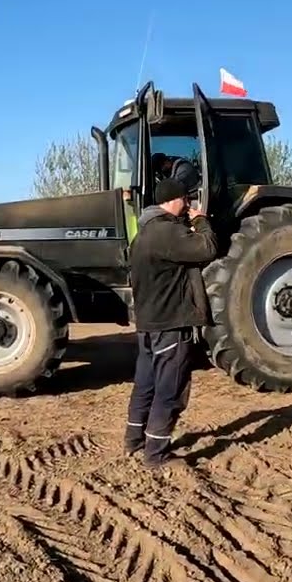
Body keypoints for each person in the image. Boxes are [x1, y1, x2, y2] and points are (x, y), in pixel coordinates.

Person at [125, 177, 218, 469]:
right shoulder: (167, 233)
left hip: (148, 326)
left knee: (145, 385)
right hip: (170, 324)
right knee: (170, 389)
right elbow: (207, 249)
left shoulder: (142, 235)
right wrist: (201, 221)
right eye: (186, 199)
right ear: (174, 199)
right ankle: (157, 454)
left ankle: (134, 440)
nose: (188, 204)